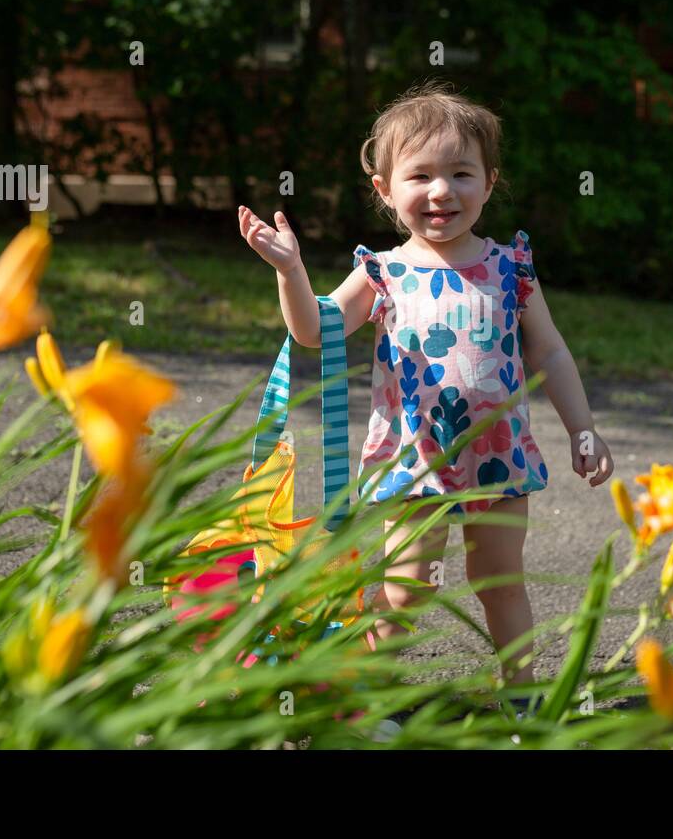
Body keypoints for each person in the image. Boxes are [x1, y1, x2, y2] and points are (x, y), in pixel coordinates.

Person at [237, 80, 613, 717]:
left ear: (489, 183)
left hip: (498, 457)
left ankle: (523, 699)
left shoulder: (510, 267)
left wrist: (583, 428)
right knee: (404, 591)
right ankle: (371, 704)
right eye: (421, 176)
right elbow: (314, 330)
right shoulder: (384, 270)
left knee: (501, 581)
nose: (442, 192)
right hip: (415, 461)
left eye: (462, 173)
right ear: (385, 190)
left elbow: (548, 351)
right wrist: (290, 272)